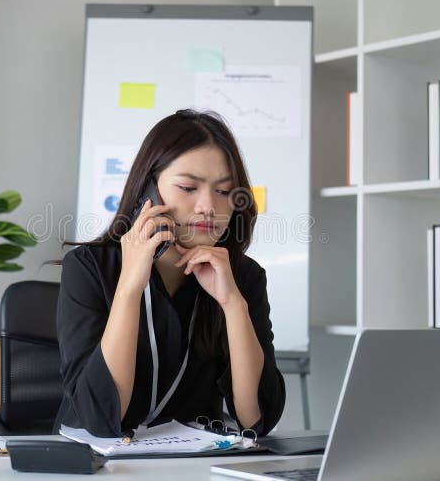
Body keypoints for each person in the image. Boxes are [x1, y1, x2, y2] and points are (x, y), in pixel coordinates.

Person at [54, 109, 286, 438]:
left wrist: (233, 304)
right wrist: (130, 288)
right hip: (100, 466)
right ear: (148, 191)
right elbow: (100, 417)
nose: (208, 206)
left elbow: (257, 420)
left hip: (194, 467)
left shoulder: (242, 277)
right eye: (188, 187)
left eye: (223, 192)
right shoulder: (90, 268)